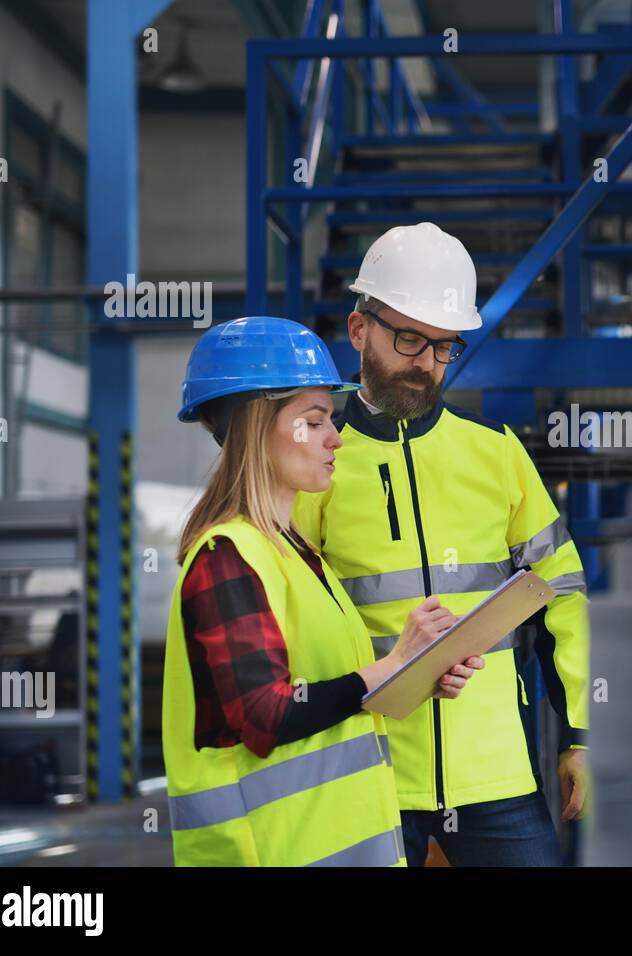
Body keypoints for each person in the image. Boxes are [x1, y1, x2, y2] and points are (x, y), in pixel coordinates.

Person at [292, 223, 590, 867]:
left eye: (443, 346)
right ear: (358, 330)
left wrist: (581, 734)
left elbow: (563, 595)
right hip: (368, 773)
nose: (425, 362)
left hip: (495, 777)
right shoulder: (317, 469)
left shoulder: (499, 457)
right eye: (407, 339)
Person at [164, 315, 482, 866]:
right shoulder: (228, 559)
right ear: (258, 427)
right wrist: (389, 667)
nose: (335, 437)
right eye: (314, 421)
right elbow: (268, 716)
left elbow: (330, 694)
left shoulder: (297, 553)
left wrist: (414, 673)